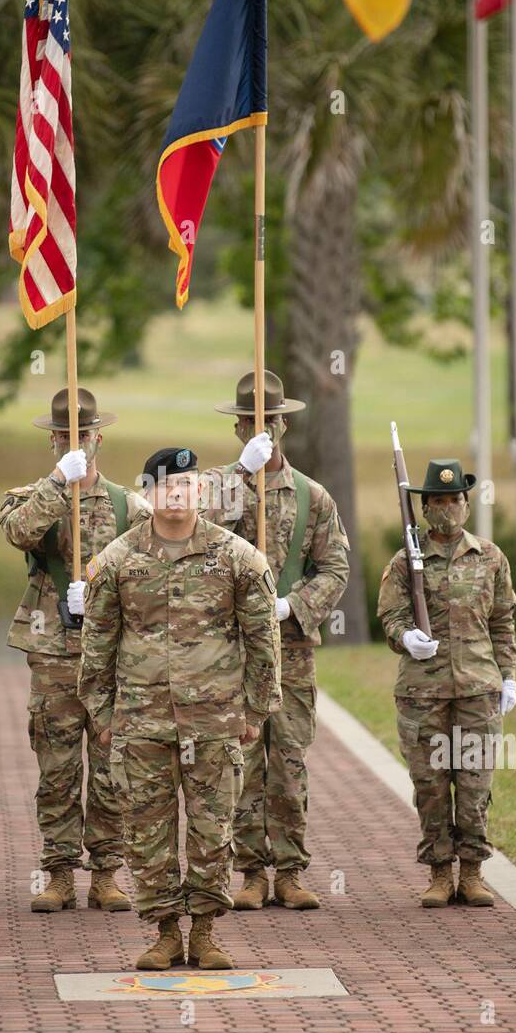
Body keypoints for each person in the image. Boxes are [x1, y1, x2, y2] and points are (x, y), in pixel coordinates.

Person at [78, 446, 281, 970]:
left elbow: (263, 640)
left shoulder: (237, 558)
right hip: (141, 722)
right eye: (165, 485)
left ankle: (207, 933)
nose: (176, 494)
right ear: (146, 495)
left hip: (215, 722)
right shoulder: (118, 560)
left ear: (202, 493)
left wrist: (257, 711)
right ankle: (165, 932)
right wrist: (102, 714)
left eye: (185, 485)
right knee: (147, 832)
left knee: (213, 831)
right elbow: (98, 640)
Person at [200, 370, 350, 911]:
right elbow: (187, 530)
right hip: (231, 648)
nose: (259, 430)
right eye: (249, 422)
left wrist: (298, 604)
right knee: (240, 760)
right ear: (240, 427)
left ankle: (289, 870)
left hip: (289, 647)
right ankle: (250, 872)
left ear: (283, 425)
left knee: (287, 759)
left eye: (268, 421)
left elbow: (334, 566)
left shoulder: (312, 496)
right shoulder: (218, 485)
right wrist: (242, 475)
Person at [0, 387, 150, 913]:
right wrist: (60, 481)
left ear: (98, 437)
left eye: (82, 435)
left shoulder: (129, 505)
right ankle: (59, 870)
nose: (75, 443)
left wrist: (106, 591)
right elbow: (19, 532)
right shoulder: (31, 496)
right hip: (54, 654)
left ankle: (107, 872)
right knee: (57, 766)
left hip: (112, 656)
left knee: (111, 766)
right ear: (52, 443)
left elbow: (154, 570)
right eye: (63, 437)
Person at [377, 459, 516, 908]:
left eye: (453, 499)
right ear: (424, 508)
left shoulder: (491, 557)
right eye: (436, 501)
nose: (446, 508)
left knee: (475, 784)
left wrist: (509, 676)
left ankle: (473, 872)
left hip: (478, 687)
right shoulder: (405, 561)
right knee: (431, 784)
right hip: (422, 692)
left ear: (466, 503)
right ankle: (440, 872)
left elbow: (502, 621)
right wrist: (405, 637)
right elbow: (391, 615)